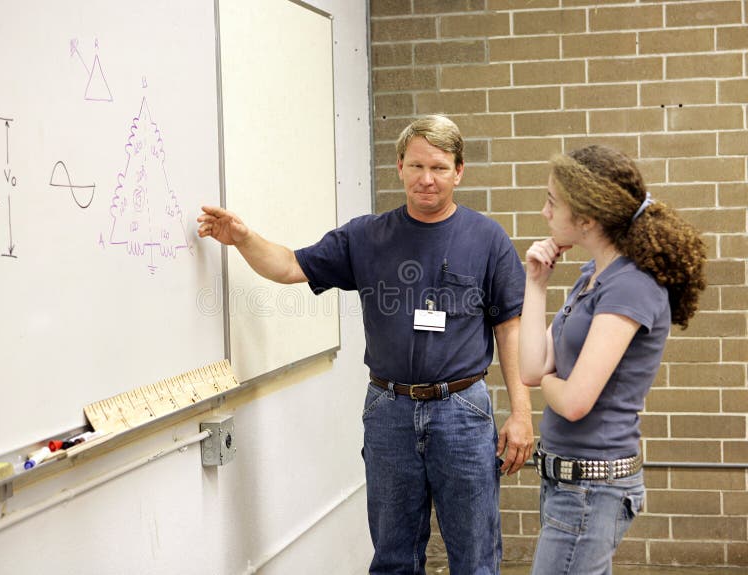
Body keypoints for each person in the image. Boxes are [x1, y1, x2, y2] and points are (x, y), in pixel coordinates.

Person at [197, 115, 533, 574]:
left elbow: (509, 325)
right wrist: (242, 238)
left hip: (462, 412)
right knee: (393, 556)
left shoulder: (487, 238)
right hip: (388, 413)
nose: (426, 179)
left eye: (438, 167)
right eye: (416, 166)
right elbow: (289, 266)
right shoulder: (366, 236)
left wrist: (521, 412)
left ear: (459, 171)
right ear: (399, 167)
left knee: (475, 557)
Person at [519, 145, 706, 575]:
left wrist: (548, 380)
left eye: (552, 202)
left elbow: (573, 402)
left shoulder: (630, 287)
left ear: (586, 219)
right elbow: (531, 368)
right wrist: (536, 284)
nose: (545, 212)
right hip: (565, 481)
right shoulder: (593, 275)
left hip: (592, 486)